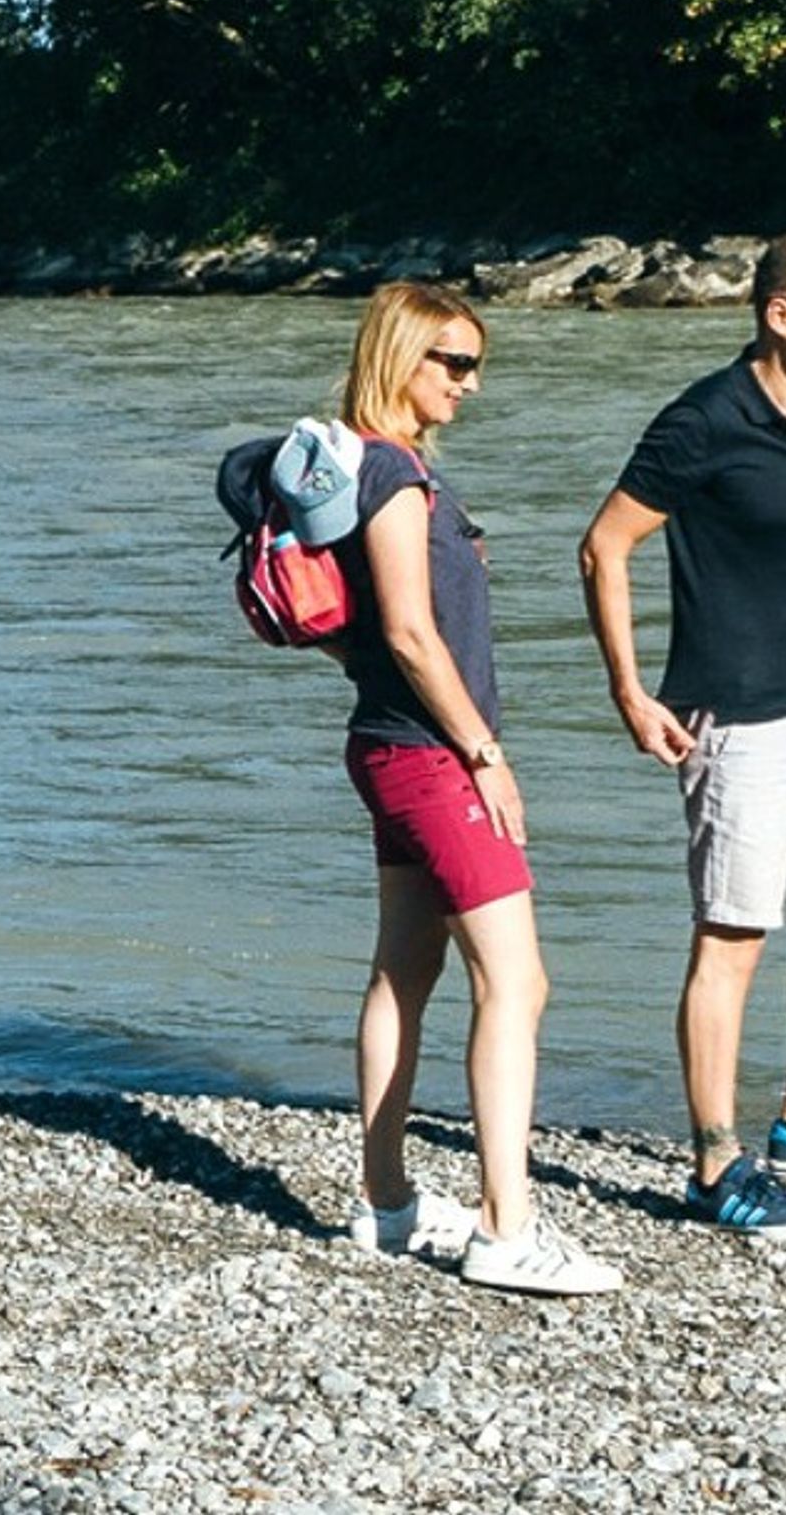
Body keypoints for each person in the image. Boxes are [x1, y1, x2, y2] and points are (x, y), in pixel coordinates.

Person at [321, 282, 620, 1294]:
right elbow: (407, 629)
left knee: (406, 970)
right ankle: (506, 1227)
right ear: (399, 355)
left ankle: (386, 1205)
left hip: (387, 746)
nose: (469, 382)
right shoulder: (393, 476)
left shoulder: (362, 468)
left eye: (475, 363)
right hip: (431, 758)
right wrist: (484, 752)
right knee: (517, 982)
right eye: (451, 361)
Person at [579, 235, 786, 1236]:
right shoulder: (708, 420)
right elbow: (604, 544)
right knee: (733, 939)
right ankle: (714, 1163)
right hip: (738, 712)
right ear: (780, 316)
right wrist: (628, 690)